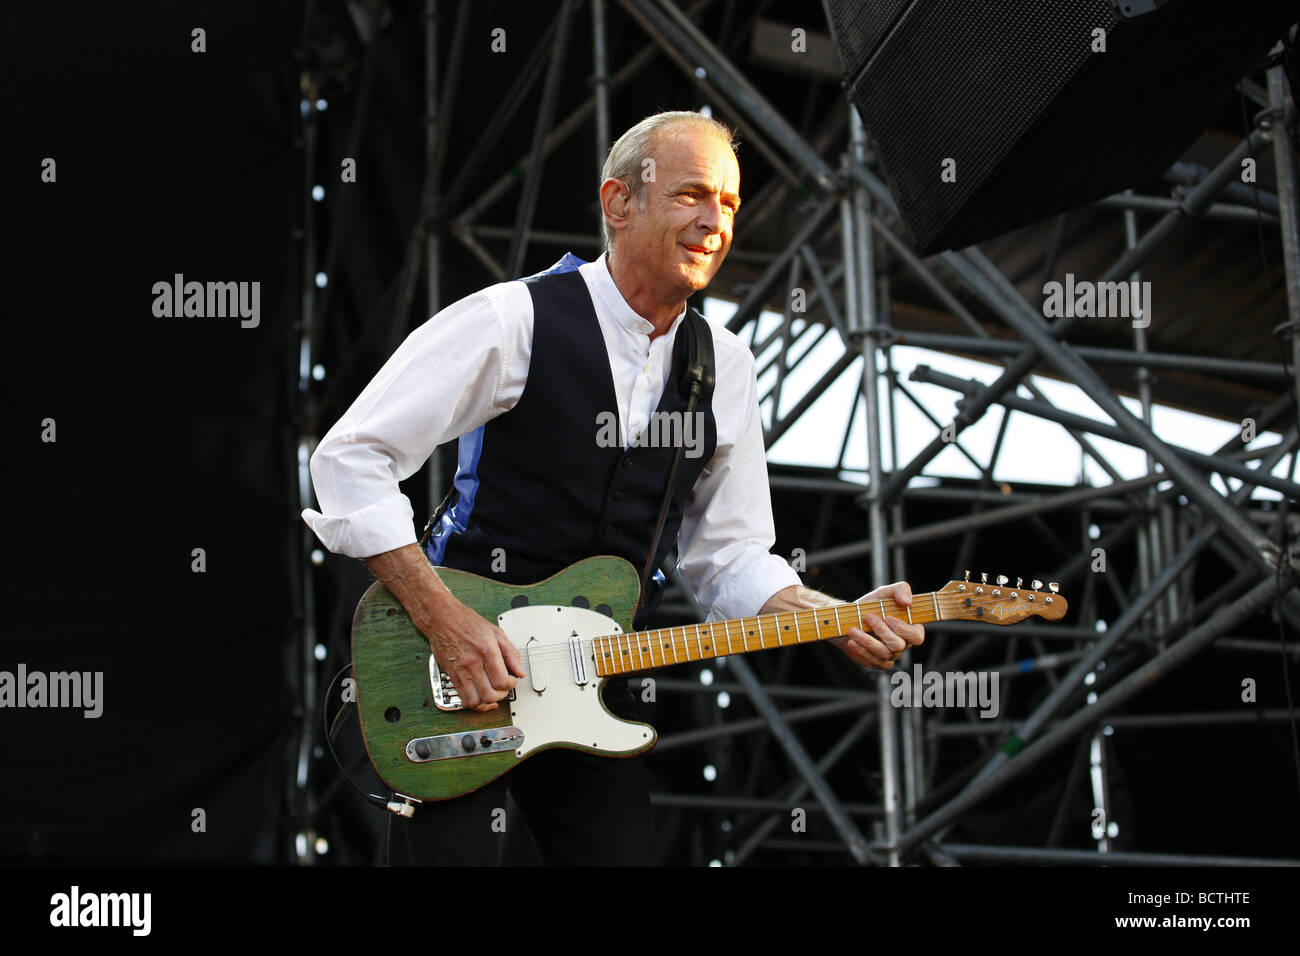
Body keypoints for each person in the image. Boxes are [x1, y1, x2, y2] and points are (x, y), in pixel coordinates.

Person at [302, 110, 925, 865]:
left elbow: (729, 556)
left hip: (596, 682)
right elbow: (350, 458)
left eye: (729, 204)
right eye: (693, 194)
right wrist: (446, 623)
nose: (715, 221)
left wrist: (831, 613)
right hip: (460, 666)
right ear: (618, 202)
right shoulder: (516, 318)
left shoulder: (724, 366)